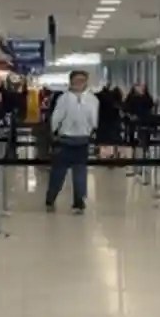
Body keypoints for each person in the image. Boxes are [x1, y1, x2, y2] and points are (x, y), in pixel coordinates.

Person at [45, 70, 99, 213]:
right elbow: (56, 117)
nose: (79, 83)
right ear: (71, 81)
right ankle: (51, 198)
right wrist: (54, 132)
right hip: (65, 139)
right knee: (59, 172)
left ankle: (78, 201)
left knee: (79, 173)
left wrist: (91, 129)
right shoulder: (64, 98)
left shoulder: (91, 99)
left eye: (82, 80)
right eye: (77, 80)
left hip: (82, 139)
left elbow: (94, 120)